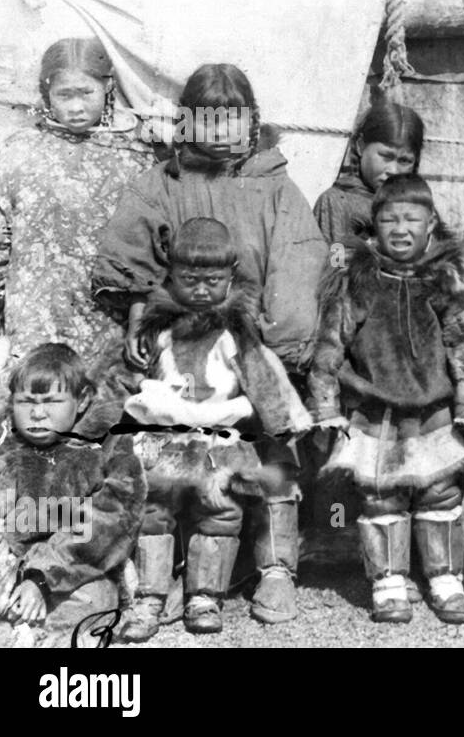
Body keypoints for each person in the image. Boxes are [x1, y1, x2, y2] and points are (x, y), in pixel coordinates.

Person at [93, 63, 327, 625]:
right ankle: (176, 575)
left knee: (274, 452)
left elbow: (299, 261)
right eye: (208, 119)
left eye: (232, 119)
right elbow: (132, 256)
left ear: (252, 122)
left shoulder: (275, 185)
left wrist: (280, 345)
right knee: (176, 455)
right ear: (187, 121)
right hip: (185, 340)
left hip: (257, 338)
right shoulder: (162, 183)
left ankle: (276, 568)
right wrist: (142, 318)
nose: (220, 131)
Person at [308, 174, 464, 624]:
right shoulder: (358, 280)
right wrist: (327, 410)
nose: (400, 229)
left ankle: (444, 575)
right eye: (389, 219)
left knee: (439, 490)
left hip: (434, 410)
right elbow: (329, 348)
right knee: (379, 494)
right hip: (375, 412)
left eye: (412, 218)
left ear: (431, 224)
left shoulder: (446, 280)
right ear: (374, 226)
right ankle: (388, 580)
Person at [114, 219, 311, 640]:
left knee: (220, 511)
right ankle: (150, 595)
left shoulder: (234, 330)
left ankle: (205, 595)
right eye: (190, 279)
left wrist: (279, 426)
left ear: (231, 275)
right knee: (154, 510)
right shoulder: (158, 326)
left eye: (214, 280)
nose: (201, 289)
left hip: (219, 439)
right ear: (172, 274)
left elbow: (261, 378)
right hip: (166, 440)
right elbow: (125, 376)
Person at [0, 38, 155, 381]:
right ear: (46, 92)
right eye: (65, 95)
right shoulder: (17, 154)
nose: (76, 106)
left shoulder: (136, 157)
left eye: (86, 93)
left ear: (108, 87)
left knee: (101, 410)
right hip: (35, 317)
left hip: (108, 319)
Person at [0, 344, 145, 648]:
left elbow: (107, 523)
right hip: (10, 566)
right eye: (26, 401)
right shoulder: (2, 446)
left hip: (77, 569)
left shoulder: (107, 448)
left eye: (52, 401)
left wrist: (41, 577)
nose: (37, 413)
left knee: (89, 609)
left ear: (82, 400)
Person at [314, 99, 424, 254]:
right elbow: (335, 264)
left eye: (404, 161)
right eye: (386, 156)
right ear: (360, 146)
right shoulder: (337, 203)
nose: (393, 170)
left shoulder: (419, 203)